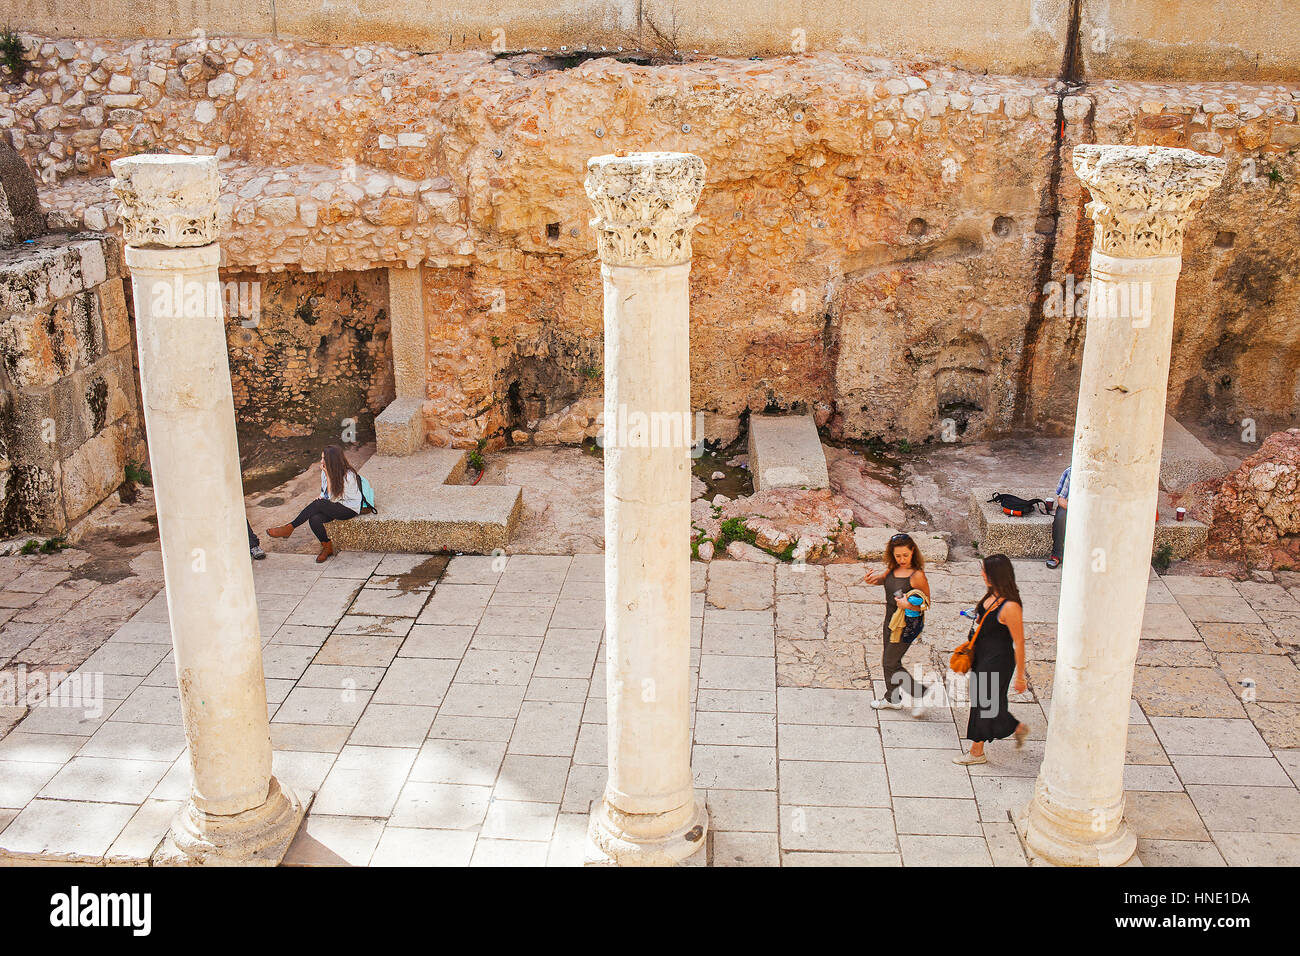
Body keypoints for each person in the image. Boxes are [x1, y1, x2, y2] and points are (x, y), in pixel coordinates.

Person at [954, 553, 1030, 765]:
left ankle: (976, 752)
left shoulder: (1011, 607)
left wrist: (1021, 676)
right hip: (982, 655)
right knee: (987, 702)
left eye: (986, 572)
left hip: (997, 661)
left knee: (982, 703)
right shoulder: (991, 595)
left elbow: (1019, 642)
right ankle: (1015, 727)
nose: (982, 575)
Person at [863, 533, 932, 717]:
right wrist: (872, 579)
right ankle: (892, 699)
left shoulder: (917, 576)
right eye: (898, 555)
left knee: (890, 661)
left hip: (907, 624)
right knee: (889, 661)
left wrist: (908, 605)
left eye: (905, 555)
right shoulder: (892, 569)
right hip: (891, 620)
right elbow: (883, 579)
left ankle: (921, 694)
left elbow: (927, 603)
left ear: (913, 553)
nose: (902, 559)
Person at [265, 445, 363, 562]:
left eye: (324, 459)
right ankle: (327, 546)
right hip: (335, 505)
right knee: (314, 518)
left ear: (332, 461)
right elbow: (324, 493)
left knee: (319, 504)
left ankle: (289, 528)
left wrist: (328, 477)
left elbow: (333, 499)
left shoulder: (348, 476)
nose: (321, 461)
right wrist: (321, 496)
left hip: (349, 509)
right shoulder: (325, 472)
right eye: (321, 458)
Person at [1047, 465, 1070, 569]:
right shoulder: (1070, 472)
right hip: (1071, 506)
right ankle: (1057, 554)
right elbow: (1061, 499)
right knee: (1061, 516)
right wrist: (1074, 510)